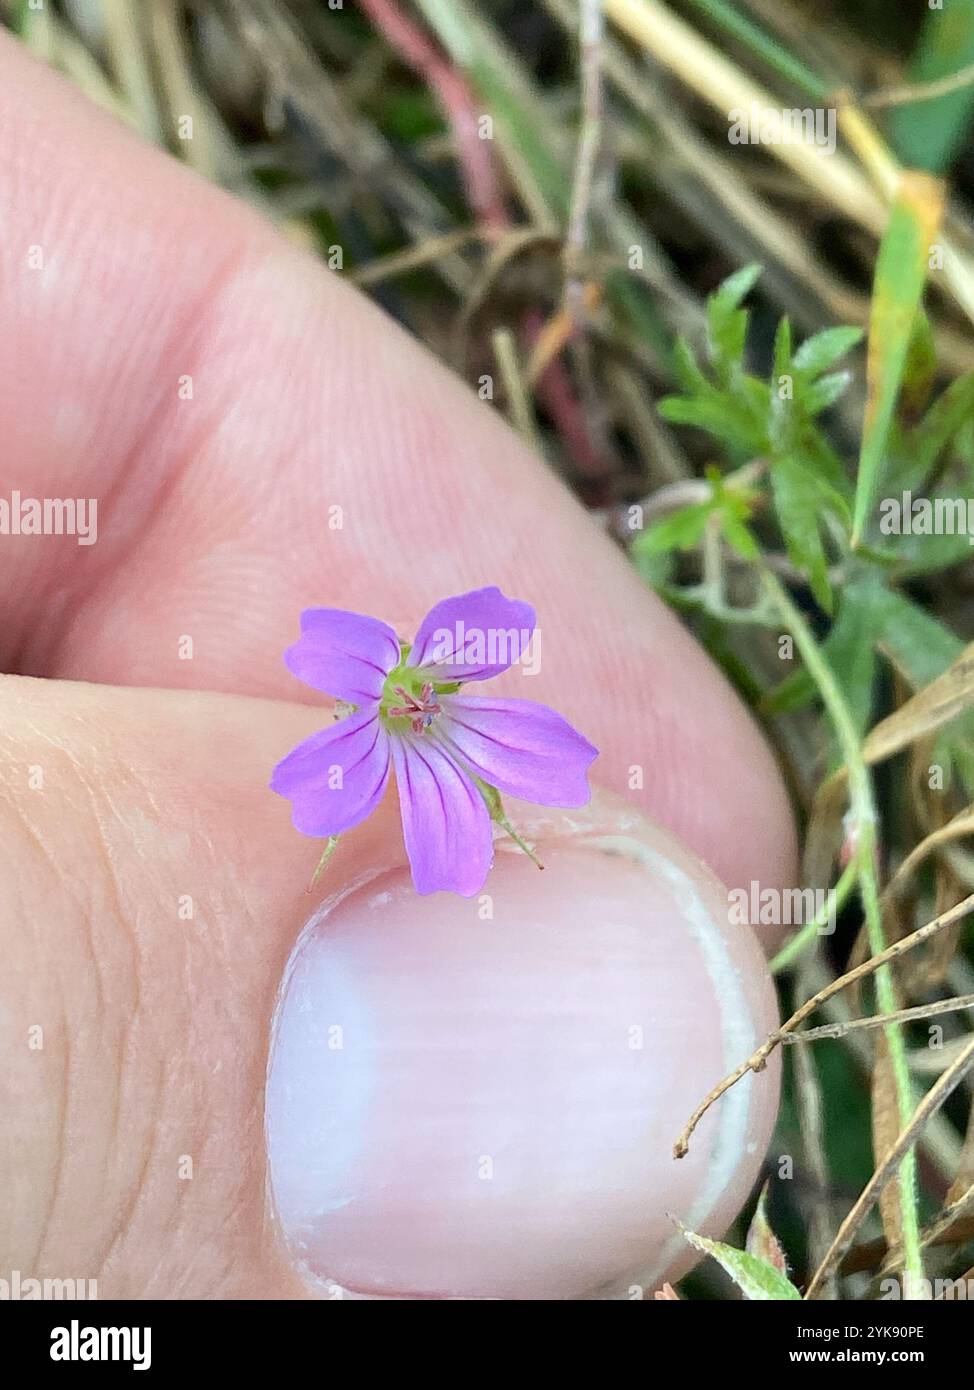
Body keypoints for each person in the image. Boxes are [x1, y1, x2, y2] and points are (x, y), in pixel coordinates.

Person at [0, 31, 794, 1299]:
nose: (420, 698)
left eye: (431, 691)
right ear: (387, 683)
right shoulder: (364, 697)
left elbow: (509, 740)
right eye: (407, 692)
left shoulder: (446, 690)